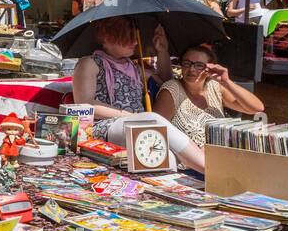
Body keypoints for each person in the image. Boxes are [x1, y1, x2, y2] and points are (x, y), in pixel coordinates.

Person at [70, 16, 205, 171]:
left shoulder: (133, 67)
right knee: (154, 120)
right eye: (129, 38)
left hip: (139, 126)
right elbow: (85, 105)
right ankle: (209, 167)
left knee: (168, 156)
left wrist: (162, 50)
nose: (135, 42)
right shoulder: (90, 63)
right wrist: (131, 116)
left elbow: (166, 82)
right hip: (102, 127)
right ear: (108, 37)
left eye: (135, 37)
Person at [155, 44, 264, 148]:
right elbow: (156, 132)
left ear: (209, 69)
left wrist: (227, 82)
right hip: (189, 165)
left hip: (221, 158)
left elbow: (256, 108)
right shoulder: (172, 90)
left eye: (199, 65)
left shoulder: (215, 87)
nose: (192, 69)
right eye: (187, 63)